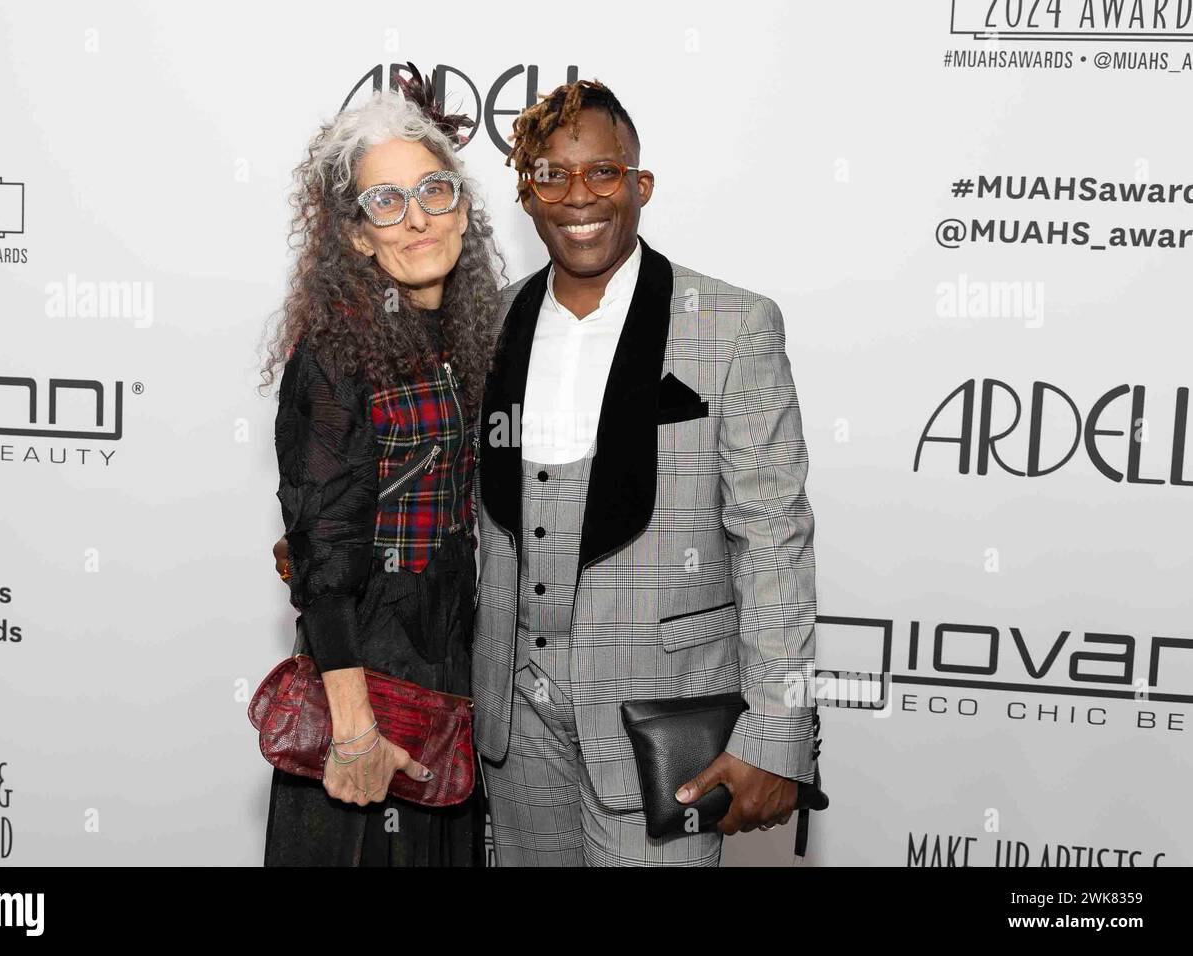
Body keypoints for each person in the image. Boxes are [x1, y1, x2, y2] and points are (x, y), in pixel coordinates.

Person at [472, 79, 820, 865]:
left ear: (640, 185)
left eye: (602, 172)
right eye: (550, 176)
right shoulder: (488, 324)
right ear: (526, 193)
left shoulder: (734, 325)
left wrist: (776, 732)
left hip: (663, 721)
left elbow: (775, 542)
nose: (578, 197)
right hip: (513, 729)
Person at [261, 72, 501, 866]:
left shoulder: (469, 335)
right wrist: (354, 729)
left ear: (465, 206)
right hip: (365, 670)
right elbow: (325, 567)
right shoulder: (334, 353)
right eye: (386, 203)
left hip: (451, 653)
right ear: (357, 236)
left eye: (434, 192)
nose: (418, 219)